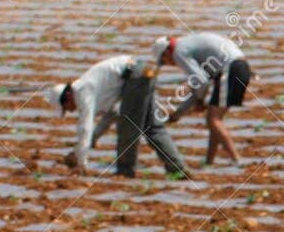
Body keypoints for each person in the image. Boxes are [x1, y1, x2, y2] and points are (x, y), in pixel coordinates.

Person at [53, 56, 187, 178]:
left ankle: (125, 172)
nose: (70, 111)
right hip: (144, 70)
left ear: (67, 97)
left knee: (128, 128)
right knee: (152, 127)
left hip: (135, 75)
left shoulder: (83, 92)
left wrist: (81, 163)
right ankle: (178, 168)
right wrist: (88, 143)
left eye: (66, 109)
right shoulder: (93, 88)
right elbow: (113, 114)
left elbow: (85, 128)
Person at [152, 33, 251, 165]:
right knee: (213, 119)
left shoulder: (178, 52)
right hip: (239, 67)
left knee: (213, 120)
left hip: (231, 69)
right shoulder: (187, 45)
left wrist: (200, 101)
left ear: (167, 53)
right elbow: (197, 86)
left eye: (164, 61)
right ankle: (209, 162)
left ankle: (237, 160)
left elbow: (202, 82)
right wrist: (179, 113)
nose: (169, 64)